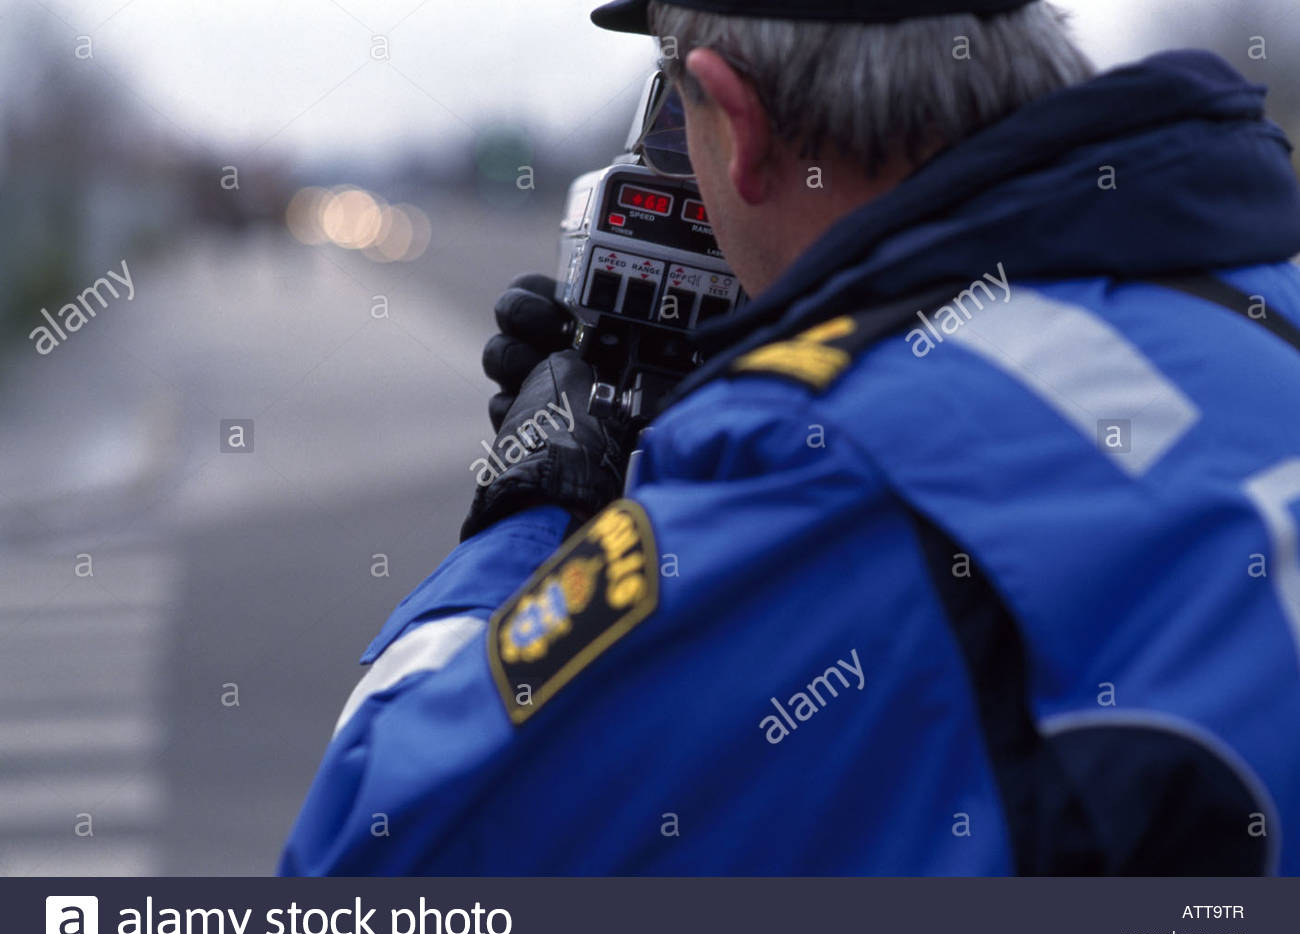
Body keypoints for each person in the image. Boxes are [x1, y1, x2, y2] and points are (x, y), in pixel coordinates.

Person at [281, 0, 1300, 875]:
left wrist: (531, 514)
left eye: (674, 109)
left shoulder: (841, 467)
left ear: (736, 118)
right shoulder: (1267, 301)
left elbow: (374, 855)